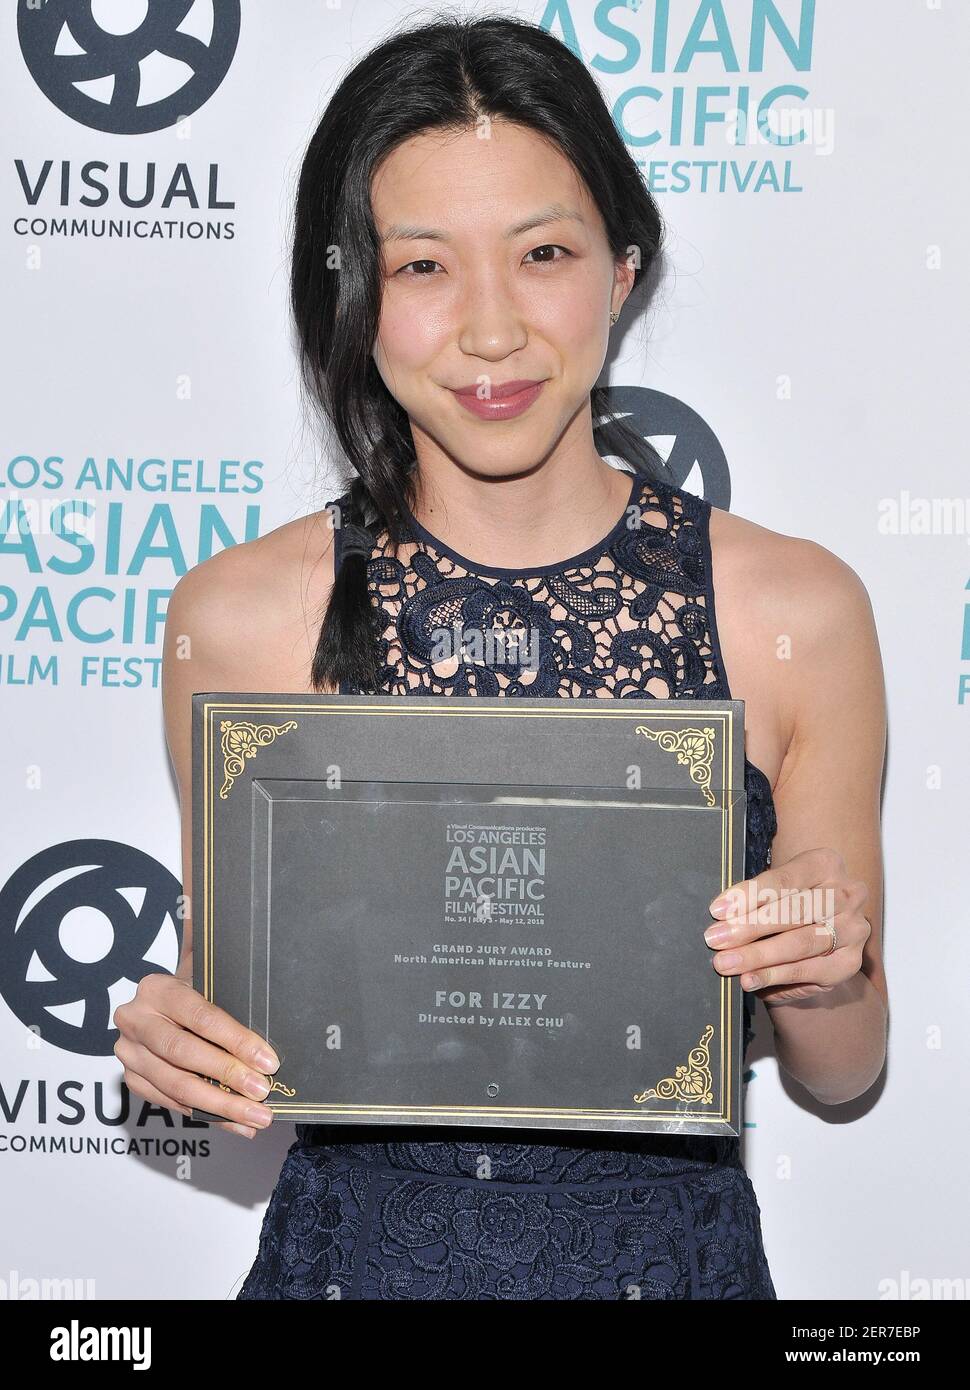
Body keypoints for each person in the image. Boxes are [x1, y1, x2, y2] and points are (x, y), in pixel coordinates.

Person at [113, 12, 889, 1300]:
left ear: (623, 270)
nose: (490, 332)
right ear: (351, 292)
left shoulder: (793, 607)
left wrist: (823, 960)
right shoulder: (241, 616)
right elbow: (244, 1019)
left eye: (542, 254)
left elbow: (845, 1070)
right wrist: (177, 1038)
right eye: (422, 268)